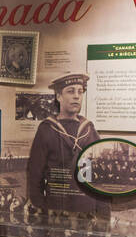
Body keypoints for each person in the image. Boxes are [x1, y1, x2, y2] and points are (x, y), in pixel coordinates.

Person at [26, 73, 106, 215]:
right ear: (58, 96)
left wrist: (102, 213)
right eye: (70, 91)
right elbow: (35, 174)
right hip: (56, 209)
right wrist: (41, 209)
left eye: (80, 92)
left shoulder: (89, 130)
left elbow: (98, 175)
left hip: (86, 209)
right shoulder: (47, 129)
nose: (76, 96)